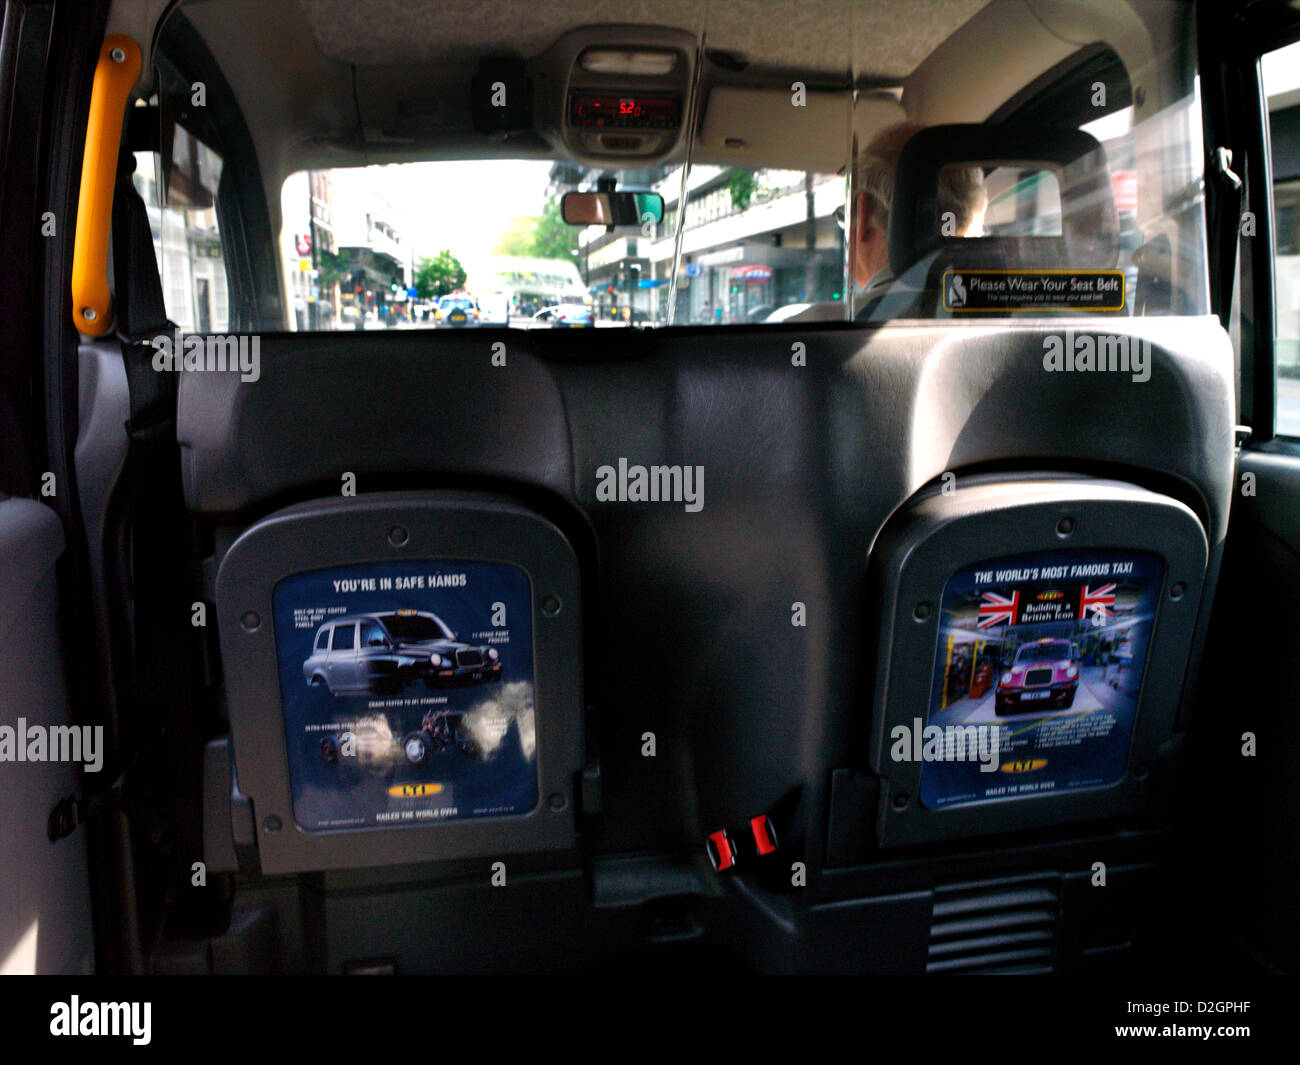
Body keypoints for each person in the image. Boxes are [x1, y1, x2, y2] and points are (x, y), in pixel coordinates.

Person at [848, 122, 987, 318]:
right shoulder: (1012, 317)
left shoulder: (813, 328)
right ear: (974, 217)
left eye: (842, 217)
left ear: (863, 214)